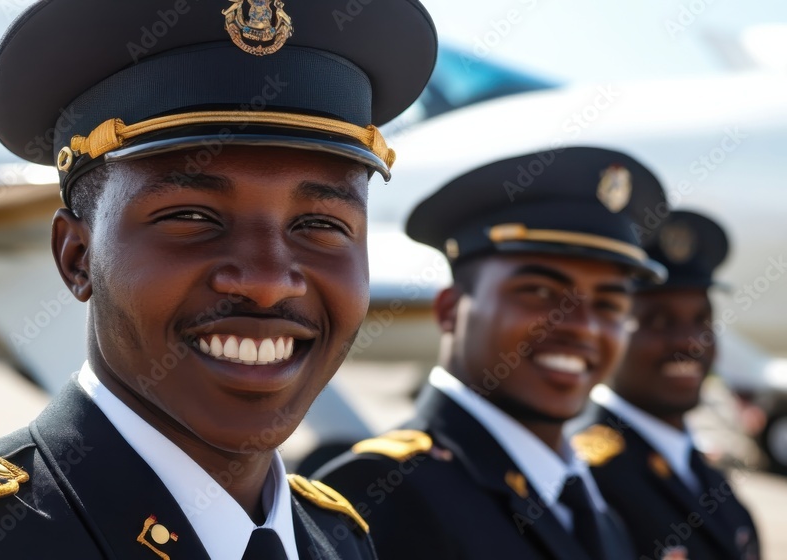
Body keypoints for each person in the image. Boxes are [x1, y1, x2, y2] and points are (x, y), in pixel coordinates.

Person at [0, 1, 437, 558]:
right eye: (192, 216)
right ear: (76, 257)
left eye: (320, 225)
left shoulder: (339, 540)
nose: (267, 282)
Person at [314, 147, 668, 559]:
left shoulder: (593, 506)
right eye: (540, 292)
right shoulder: (383, 494)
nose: (583, 326)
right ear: (450, 310)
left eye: (609, 305)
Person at [570, 210, 761, 560]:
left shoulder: (703, 471)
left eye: (702, 320)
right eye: (659, 321)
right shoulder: (586, 479)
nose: (690, 342)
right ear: (607, 330)